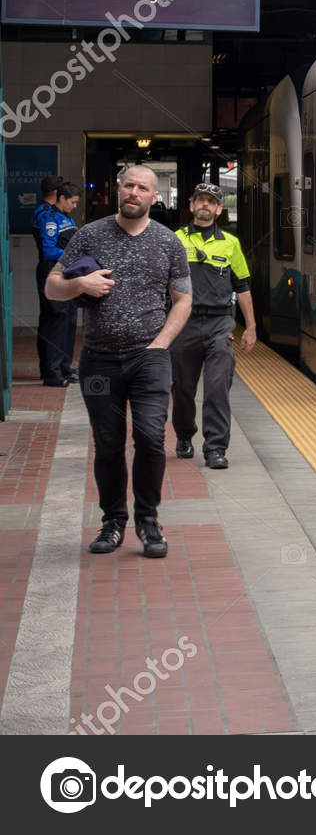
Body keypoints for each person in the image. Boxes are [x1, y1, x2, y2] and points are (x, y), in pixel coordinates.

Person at [45, 165, 191, 558]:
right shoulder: (89, 235)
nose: (134, 192)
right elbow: (52, 287)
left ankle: (148, 520)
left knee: (150, 437)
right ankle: (113, 521)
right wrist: (79, 284)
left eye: (143, 188)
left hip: (150, 358)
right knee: (108, 443)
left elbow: (183, 299)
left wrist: (162, 343)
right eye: (128, 185)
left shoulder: (168, 242)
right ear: (118, 189)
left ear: (154, 197)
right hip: (99, 361)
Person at [170, 183, 256, 469]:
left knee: (218, 386)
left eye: (211, 202)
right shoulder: (174, 239)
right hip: (184, 323)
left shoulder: (230, 243)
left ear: (219, 209)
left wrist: (252, 327)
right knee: (182, 388)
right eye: (200, 200)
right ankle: (184, 435)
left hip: (220, 324)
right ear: (192, 205)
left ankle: (215, 448)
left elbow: (242, 286)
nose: (205, 205)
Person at [32, 175, 79, 386]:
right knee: (56, 320)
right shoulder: (48, 216)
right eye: (73, 201)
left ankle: (63, 367)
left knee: (68, 320)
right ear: (58, 196)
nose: (74, 205)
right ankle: (52, 371)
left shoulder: (66, 217)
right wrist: (76, 257)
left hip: (67, 272)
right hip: (52, 270)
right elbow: (49, 250)